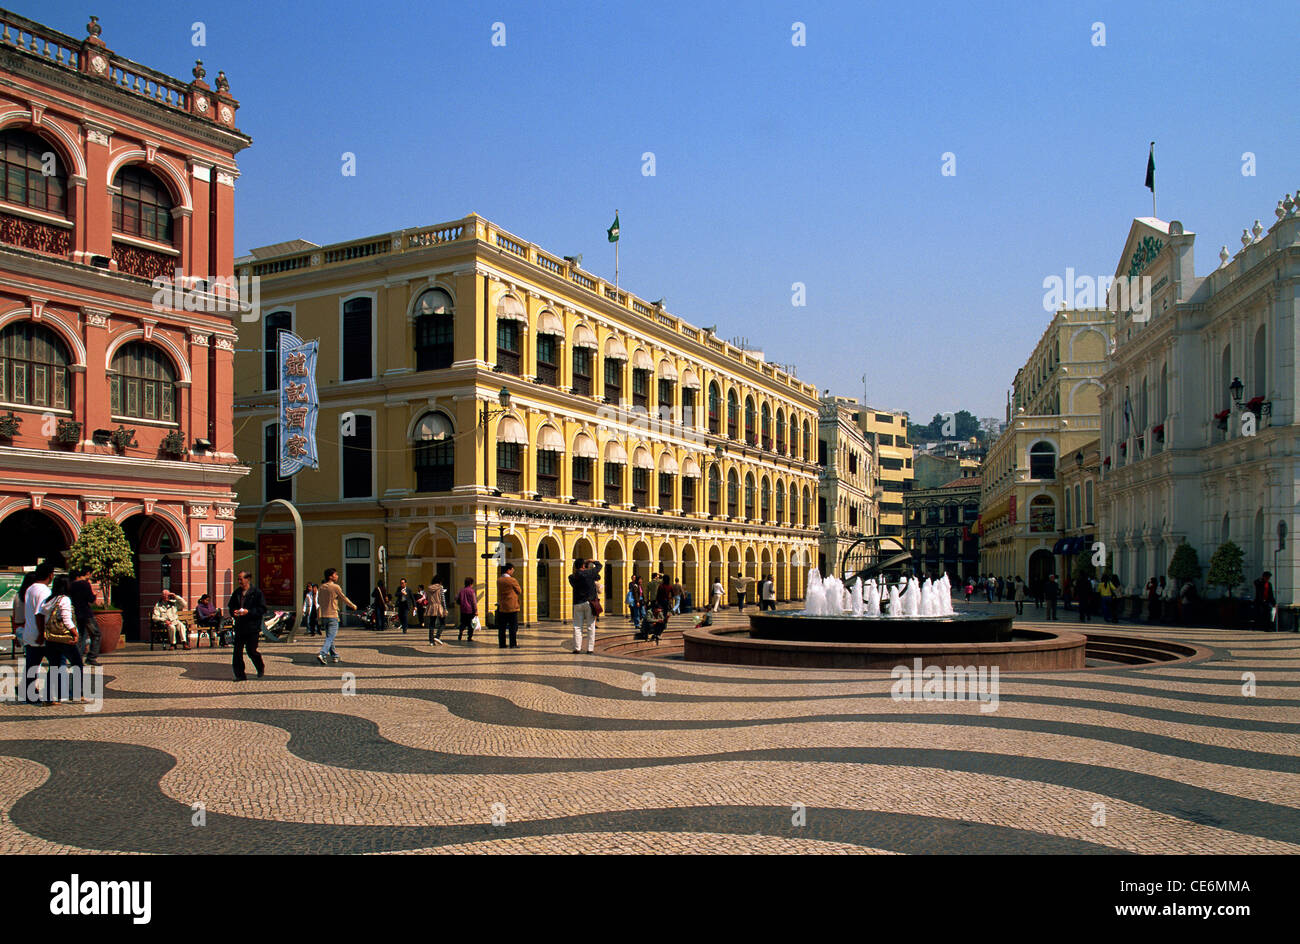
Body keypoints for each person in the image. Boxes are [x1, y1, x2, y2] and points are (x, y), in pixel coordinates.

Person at [21, 562, 53, 704]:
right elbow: (40, 614)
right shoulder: (44, 591)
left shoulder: (30, 589)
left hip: (30, 633)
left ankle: (28, 693)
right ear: (50, 575)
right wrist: (42, 634)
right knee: (57, 664)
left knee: (31, 666)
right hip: (41, 635)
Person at [227, 571, 266, 681]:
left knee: (251, 650)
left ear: (248, 579)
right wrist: (233, 612)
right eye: (238, 579)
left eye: (241, 579)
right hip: (240, 626)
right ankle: (240, 675)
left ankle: (260, 666)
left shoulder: (257, 593)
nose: (239, 581)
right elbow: (231, 606)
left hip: (252, 627)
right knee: (237, 652)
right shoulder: (237, 593)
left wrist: (248, 612)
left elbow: (262, 609)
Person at [316, 567, 357, 665]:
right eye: (336, 574)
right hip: (333, 616)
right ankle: (322, 653)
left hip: (324, 616)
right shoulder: (335, 587)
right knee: (330, 637)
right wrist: (353, 606)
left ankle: (334, 655)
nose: (337, 576)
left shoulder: (321, 588)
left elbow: (318, 602)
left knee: (330, 637)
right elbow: (344, 598)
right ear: (330, 577)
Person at [568, 558, 602, 654]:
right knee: (591, 626)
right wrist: (592, 561)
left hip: (578, 603)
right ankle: (590, 649)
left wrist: (582, 566)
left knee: (577, 626)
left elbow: (575, 576)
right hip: (589, 603)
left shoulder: (571, 577)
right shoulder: (589, 573)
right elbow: (599, 566)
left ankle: (577, 648)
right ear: (583, 566)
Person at [69, 568, 101, 666]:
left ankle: (77, 659)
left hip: (76, 613)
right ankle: (91, 657)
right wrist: (95, 594)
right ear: (87, 573)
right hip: (86, 613)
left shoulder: (70, 585)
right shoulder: (85, 584)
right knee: (96, 634)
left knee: (81, 636)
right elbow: (90, 599)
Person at [497, 563, 522, 648]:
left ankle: (502, 644)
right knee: (513, 627)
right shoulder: (512, 580)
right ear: (508, 570)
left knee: (502, 627)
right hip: (512, 607)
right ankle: (513, 644)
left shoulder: (499, 580)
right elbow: (519, 591)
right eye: (512, 570)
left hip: (502, 606)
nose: (512, 572)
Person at [427, 578, 447, 645]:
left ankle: (431, 641)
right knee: (442, 623)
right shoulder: (440, 588)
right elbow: (443, 599)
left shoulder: (429, 588)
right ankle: (437, 636)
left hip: (431, 606)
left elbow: (427, 598)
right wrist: (445, 608)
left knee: (432, 624)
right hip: (439, 606)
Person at [456, 577, 477, 642]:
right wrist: (476, 610)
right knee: (471, 625)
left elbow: (456, 598)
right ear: (471, 584)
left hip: (463, 609)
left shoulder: (461, 591)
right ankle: (469, 637)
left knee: (463, 623)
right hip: (470, 610)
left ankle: (460, 632)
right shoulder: (471, 591)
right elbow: (474, 601)